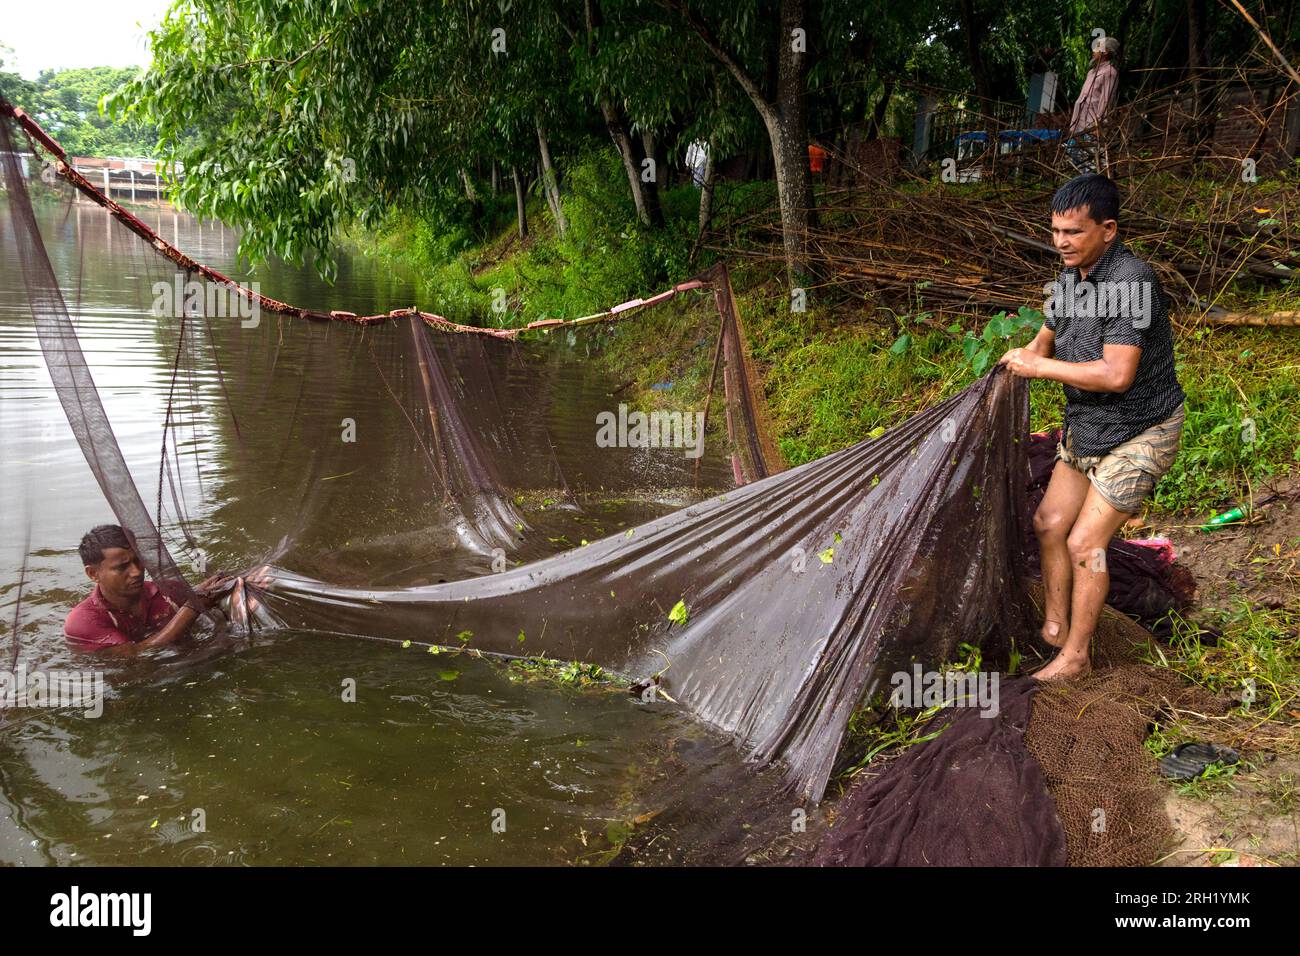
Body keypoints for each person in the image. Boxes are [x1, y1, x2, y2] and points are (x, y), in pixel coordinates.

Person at [998, 173, 1185, 681]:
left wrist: (1039, 369)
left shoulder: (1132, 283)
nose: (1061, 242)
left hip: (1142, 430)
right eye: (1056, 231)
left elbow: (1117, 375)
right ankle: (1055, 632)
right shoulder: (1066, 279)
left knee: (1085, 544)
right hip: (1089, 427)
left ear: (1108, 230)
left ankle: (1077, 658)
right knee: (1049, 525)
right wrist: (1021, 360)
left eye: (1074, 233)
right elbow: (1043, 342)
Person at [64, 524, 228, 655]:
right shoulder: (83, 621)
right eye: (122, 567)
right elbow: (135, 657)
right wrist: (192, 607)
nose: (137, 572)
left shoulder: (167, 591)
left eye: (138, 561)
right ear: (93, 574)